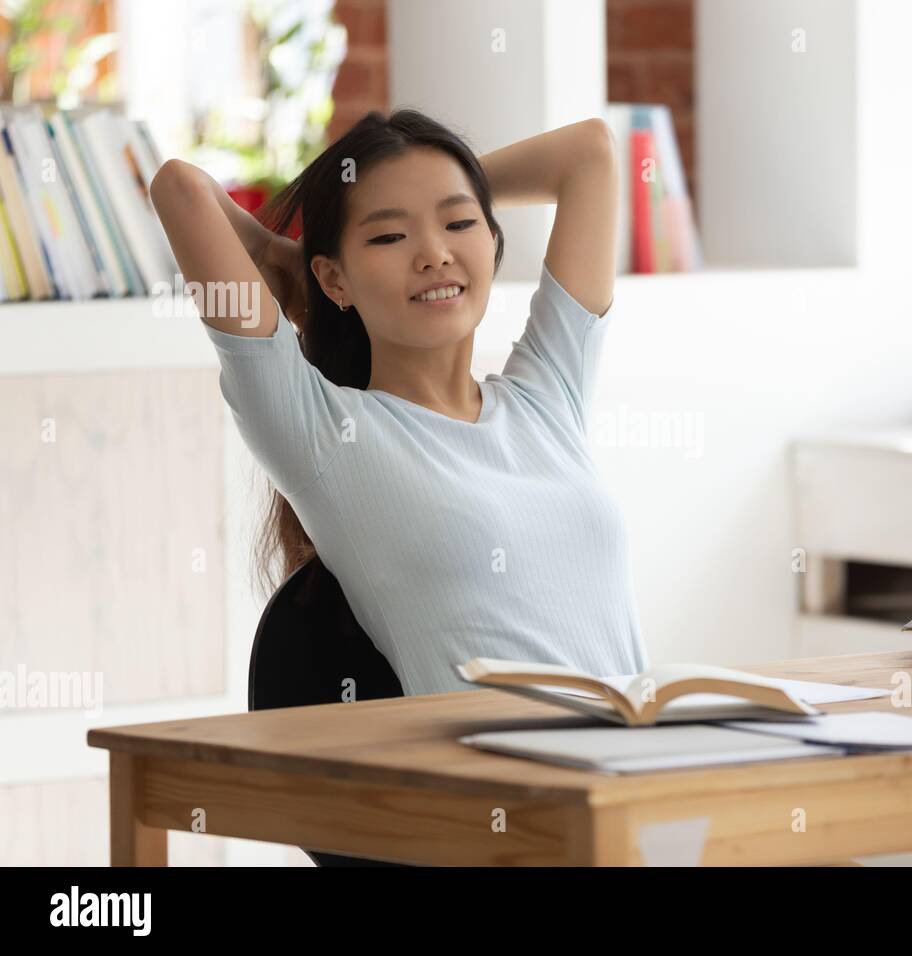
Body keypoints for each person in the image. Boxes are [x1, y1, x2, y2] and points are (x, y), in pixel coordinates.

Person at [150, 109, 649, 698]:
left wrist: (439, 187)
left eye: (459, 222)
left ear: (492, 244)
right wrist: (278, 253)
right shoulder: (325, 436)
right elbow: (180, 189)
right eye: (389, 235)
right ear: (334, 280)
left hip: (639, 762)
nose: (434, 253)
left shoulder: (548, 396)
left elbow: (590, 152)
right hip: (507, 782)